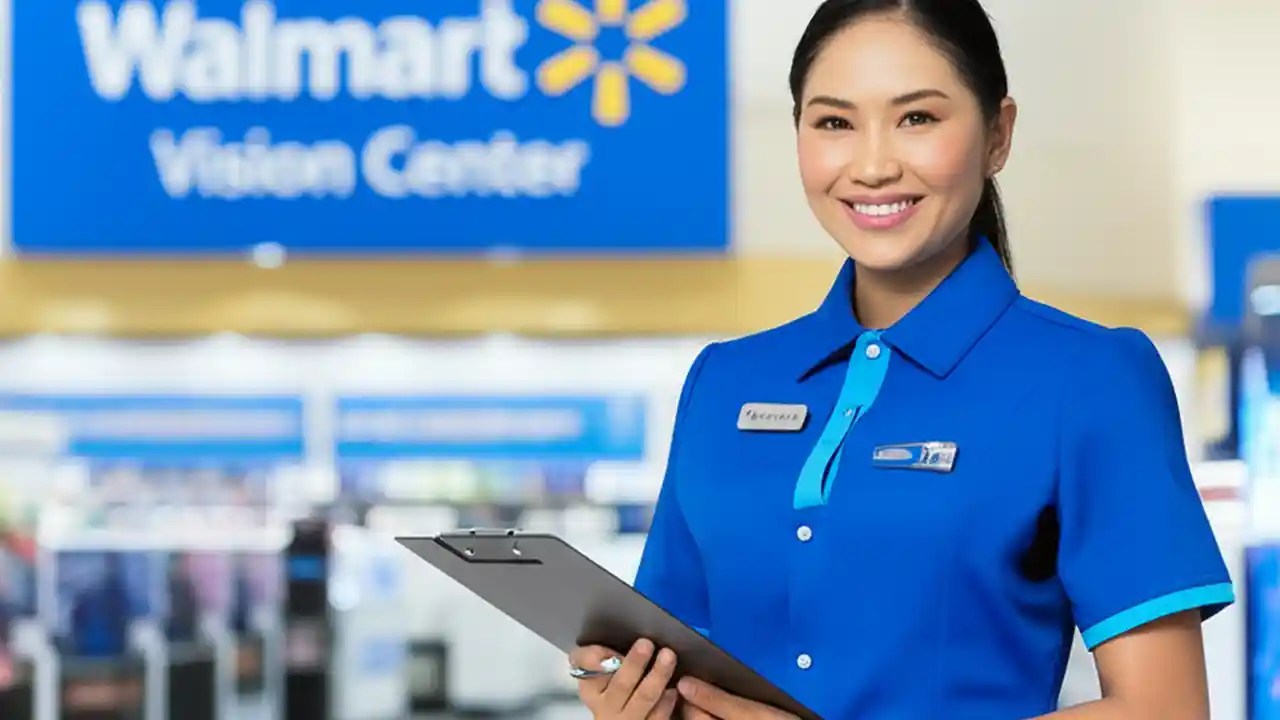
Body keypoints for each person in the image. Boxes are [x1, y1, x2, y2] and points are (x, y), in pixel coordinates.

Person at [570, 0, 1234, 717]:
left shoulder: (1091, 380)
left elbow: (1164, 708)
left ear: (998, 134)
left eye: (917, 118)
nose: (874, 164)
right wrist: (632, 699)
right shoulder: (723, 383)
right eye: (833, 122)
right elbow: (680, 664)